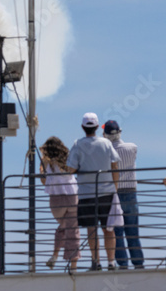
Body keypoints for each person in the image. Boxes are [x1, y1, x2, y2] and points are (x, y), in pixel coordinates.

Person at [66, 112, 119, 271]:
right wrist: (115, 187)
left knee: (91, 229)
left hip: (86, 194)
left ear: (83, 127)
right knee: (109, 229)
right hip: (107, 192)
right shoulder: (106, 143)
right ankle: (111, 263)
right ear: (97, 127)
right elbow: (115, 165)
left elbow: (71, 169)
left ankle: (96, 262)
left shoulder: (78, 144)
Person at [103, 120, 144, 269]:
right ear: (120, 131)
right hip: (131, 193)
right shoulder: (132, 147)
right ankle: (138, 263)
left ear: (105, 134)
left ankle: (123, 264)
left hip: (114, 193)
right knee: (133, 232)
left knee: (117, 232)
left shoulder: (105, 151)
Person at [39, 136, 79, 271]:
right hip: (72, 197)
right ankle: (73, 266)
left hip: (56, 200)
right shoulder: (68, 159)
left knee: (63, 226)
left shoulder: (46, 162)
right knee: (72, 231)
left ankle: (55, 255)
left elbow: (44, 181)